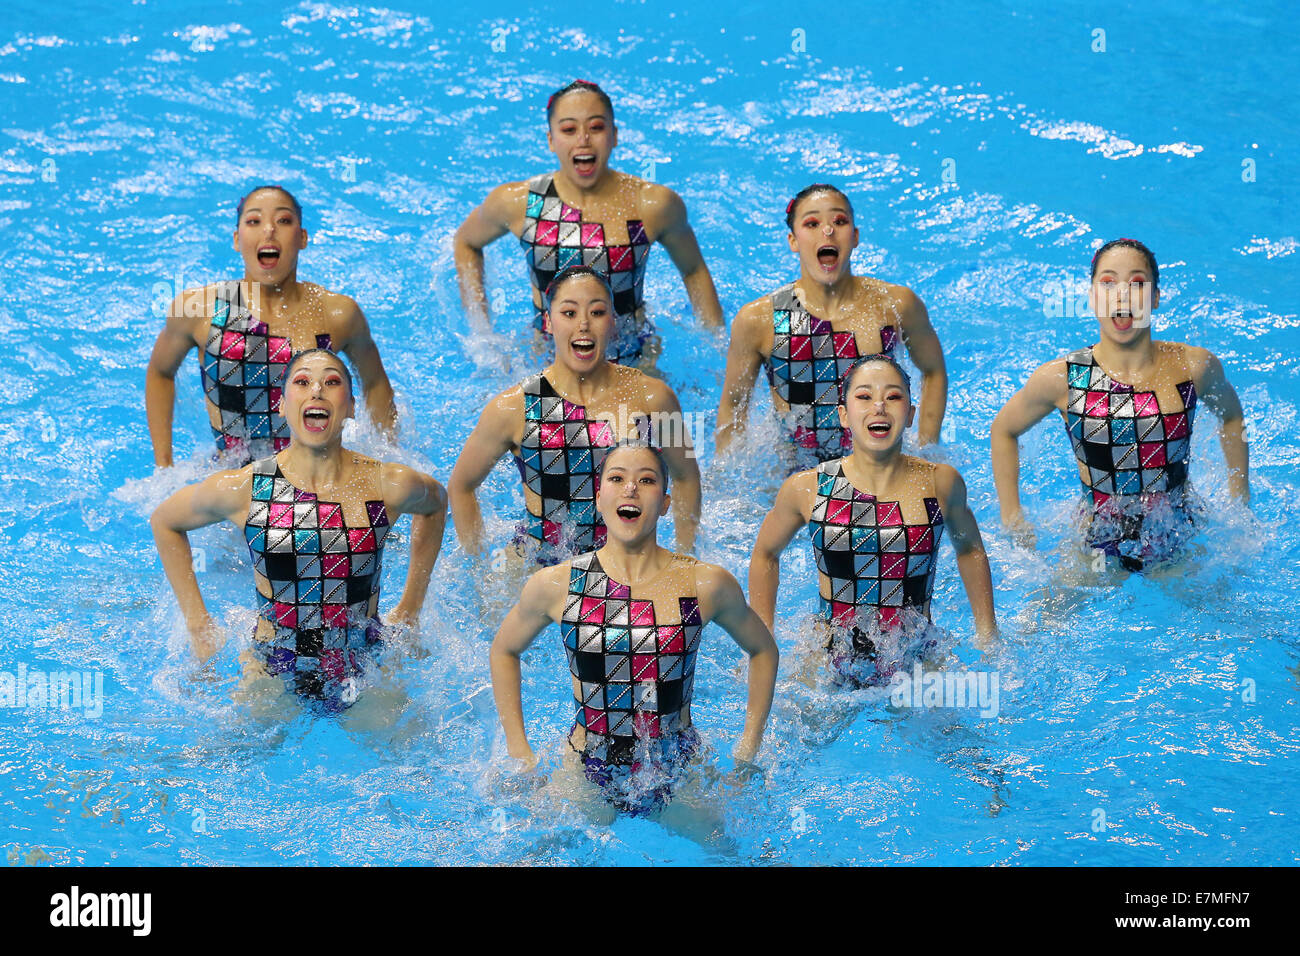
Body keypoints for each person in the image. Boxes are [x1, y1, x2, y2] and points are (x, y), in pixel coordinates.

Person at [490, 442, 778, 816]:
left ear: (665, 503)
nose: (630, 488)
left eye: (646, 480)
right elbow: (503, 650)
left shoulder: (703, 584)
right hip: (587, 766)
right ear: (599, 498)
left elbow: (763, 650)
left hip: (677, 768)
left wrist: (747, 749)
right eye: (617, 478)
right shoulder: (558, 584)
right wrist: (519, 751)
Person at [151, 349, 446, 711]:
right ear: (281, 405)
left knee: (404, 761)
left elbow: (436, 504)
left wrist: (411, 607)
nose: (317, 390)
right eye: (302, 381)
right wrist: (199, 625)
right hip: (273, 666)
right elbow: (165, 521)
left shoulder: (387, 485)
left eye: (332, 381)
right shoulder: (246, 488)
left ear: (352, 406)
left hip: (363, 667)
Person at [991, 238, 1249, 571]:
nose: (1122, 294)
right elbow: (1003, 430)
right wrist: (1013, 517)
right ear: (1092, 297)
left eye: (1138, 283)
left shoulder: (1193, 367)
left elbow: (1231, 417)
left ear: (1155, 298)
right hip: (1097, 541)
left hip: (1179, 535)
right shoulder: (1063, 379)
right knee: (1039, 622)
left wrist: (1240, 498)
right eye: (1108, 282)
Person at [750, 355, 996, 689]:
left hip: (915, 658)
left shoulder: (940, 484)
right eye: (864, 397)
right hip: (829, 657)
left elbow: (970, 550)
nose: (879, 406)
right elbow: (765, 553)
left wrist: (987, 633)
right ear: (843, 414)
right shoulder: (808, 488)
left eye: (893, 397)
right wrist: (761, 641)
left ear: (910, 415)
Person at [453, 79, 724, 367]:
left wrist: (716, 351)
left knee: (660, 414)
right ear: (551, 140)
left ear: (615, 135)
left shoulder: (651, 205)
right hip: (547, 359)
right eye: (569, 129)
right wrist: (481, 333)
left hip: (630, 358)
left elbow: (693, 270)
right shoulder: (519, 203)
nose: (583, 139)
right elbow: (466, 243)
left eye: (596, 127)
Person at [450, 266, 702, 567]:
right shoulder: (513, 408)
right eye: (569, 313)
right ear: (548, 322)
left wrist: (685, 559)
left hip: (629, 564)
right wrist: (478, 566)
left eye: (596, 313)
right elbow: (461, 486)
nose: (583, 324)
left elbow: (687, 476)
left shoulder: (654, 399)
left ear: (613, 323)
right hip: (537, 567)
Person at [146, 185, 397, 467]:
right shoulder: (199, 309)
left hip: (316, 471)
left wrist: (387, 458)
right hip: (231, 477)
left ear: (302, 238)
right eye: (254, 221)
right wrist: (164, 466)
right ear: (237, 239)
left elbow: (374, 383)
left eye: (283, 220)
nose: (268, 230)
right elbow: (160, 372)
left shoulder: (336, 313)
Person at [716, 184, 947, 470]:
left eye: (839, 222)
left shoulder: (894, 305)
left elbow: (934, 371)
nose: (827, 232)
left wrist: (926, 452)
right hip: (797, 473)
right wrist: (727, 475)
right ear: (793, 240)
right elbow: (733, 407)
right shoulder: (760, 319)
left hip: (881, 465)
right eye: (812, 224)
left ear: (855, 236)